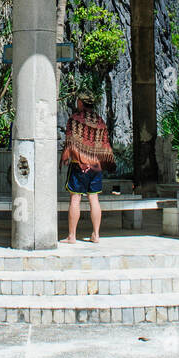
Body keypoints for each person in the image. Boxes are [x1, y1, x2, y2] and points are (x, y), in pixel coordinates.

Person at [60, 90, 115, 243]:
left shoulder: (74, 119)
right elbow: (105, 144)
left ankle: (72, 236)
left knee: (75, 199)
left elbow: (70, 142)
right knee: (94, 199)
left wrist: (65, 157)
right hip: (96, 166)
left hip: (80, 165)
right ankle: (96, 235)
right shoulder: (100, 120)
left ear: (80, 103)